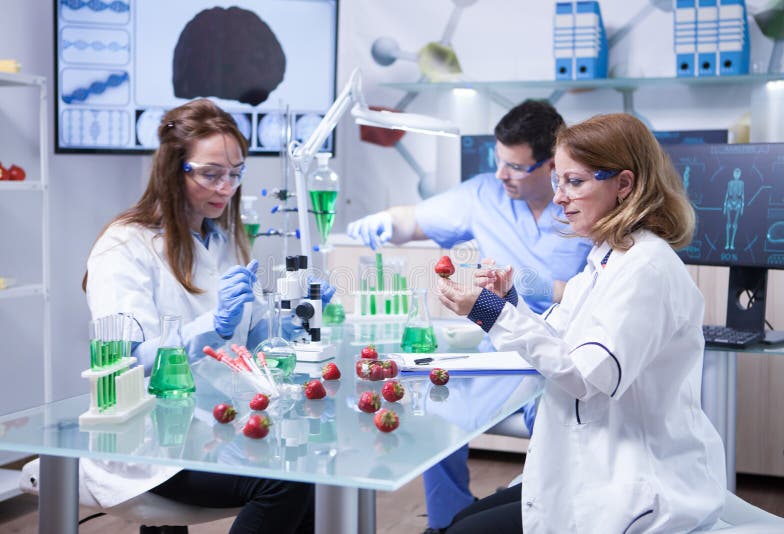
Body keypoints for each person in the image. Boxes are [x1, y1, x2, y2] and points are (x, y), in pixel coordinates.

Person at [437, 113, 727, 533]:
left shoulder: (647, 269)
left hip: (631, 483)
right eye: (559, 181)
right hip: (589, 463)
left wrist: (489, 312)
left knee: (463, 531)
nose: (559, 198)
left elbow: (587, 376)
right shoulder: (606, 257)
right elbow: (559, 337)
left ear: (623, 184)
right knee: (462, 520)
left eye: (574, 182)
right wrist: (508, 304)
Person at [347, 100, 592, 532]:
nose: (501, 175)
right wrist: (384, 221)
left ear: (551, 164)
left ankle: (540, 517)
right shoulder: (483, 195)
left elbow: (606, 289)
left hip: (559, 351)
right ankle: (447, 521)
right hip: (498, 346)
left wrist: (550, 288)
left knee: (552, 421)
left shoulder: (583, 207)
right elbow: (412, 221)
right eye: (499, 161)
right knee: (435, 404)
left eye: (515, 166)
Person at [82, 99, 315, 534]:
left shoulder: (220, 239)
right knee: (286, 482)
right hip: (149, 440)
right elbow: (127, 364)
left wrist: (295, 317)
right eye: (211, 174)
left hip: (213, 422)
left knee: (311, 459)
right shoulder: (124, 246)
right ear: (174, 170)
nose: (226, 188)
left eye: (235, 173)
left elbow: (252, 344)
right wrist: (213, 326)